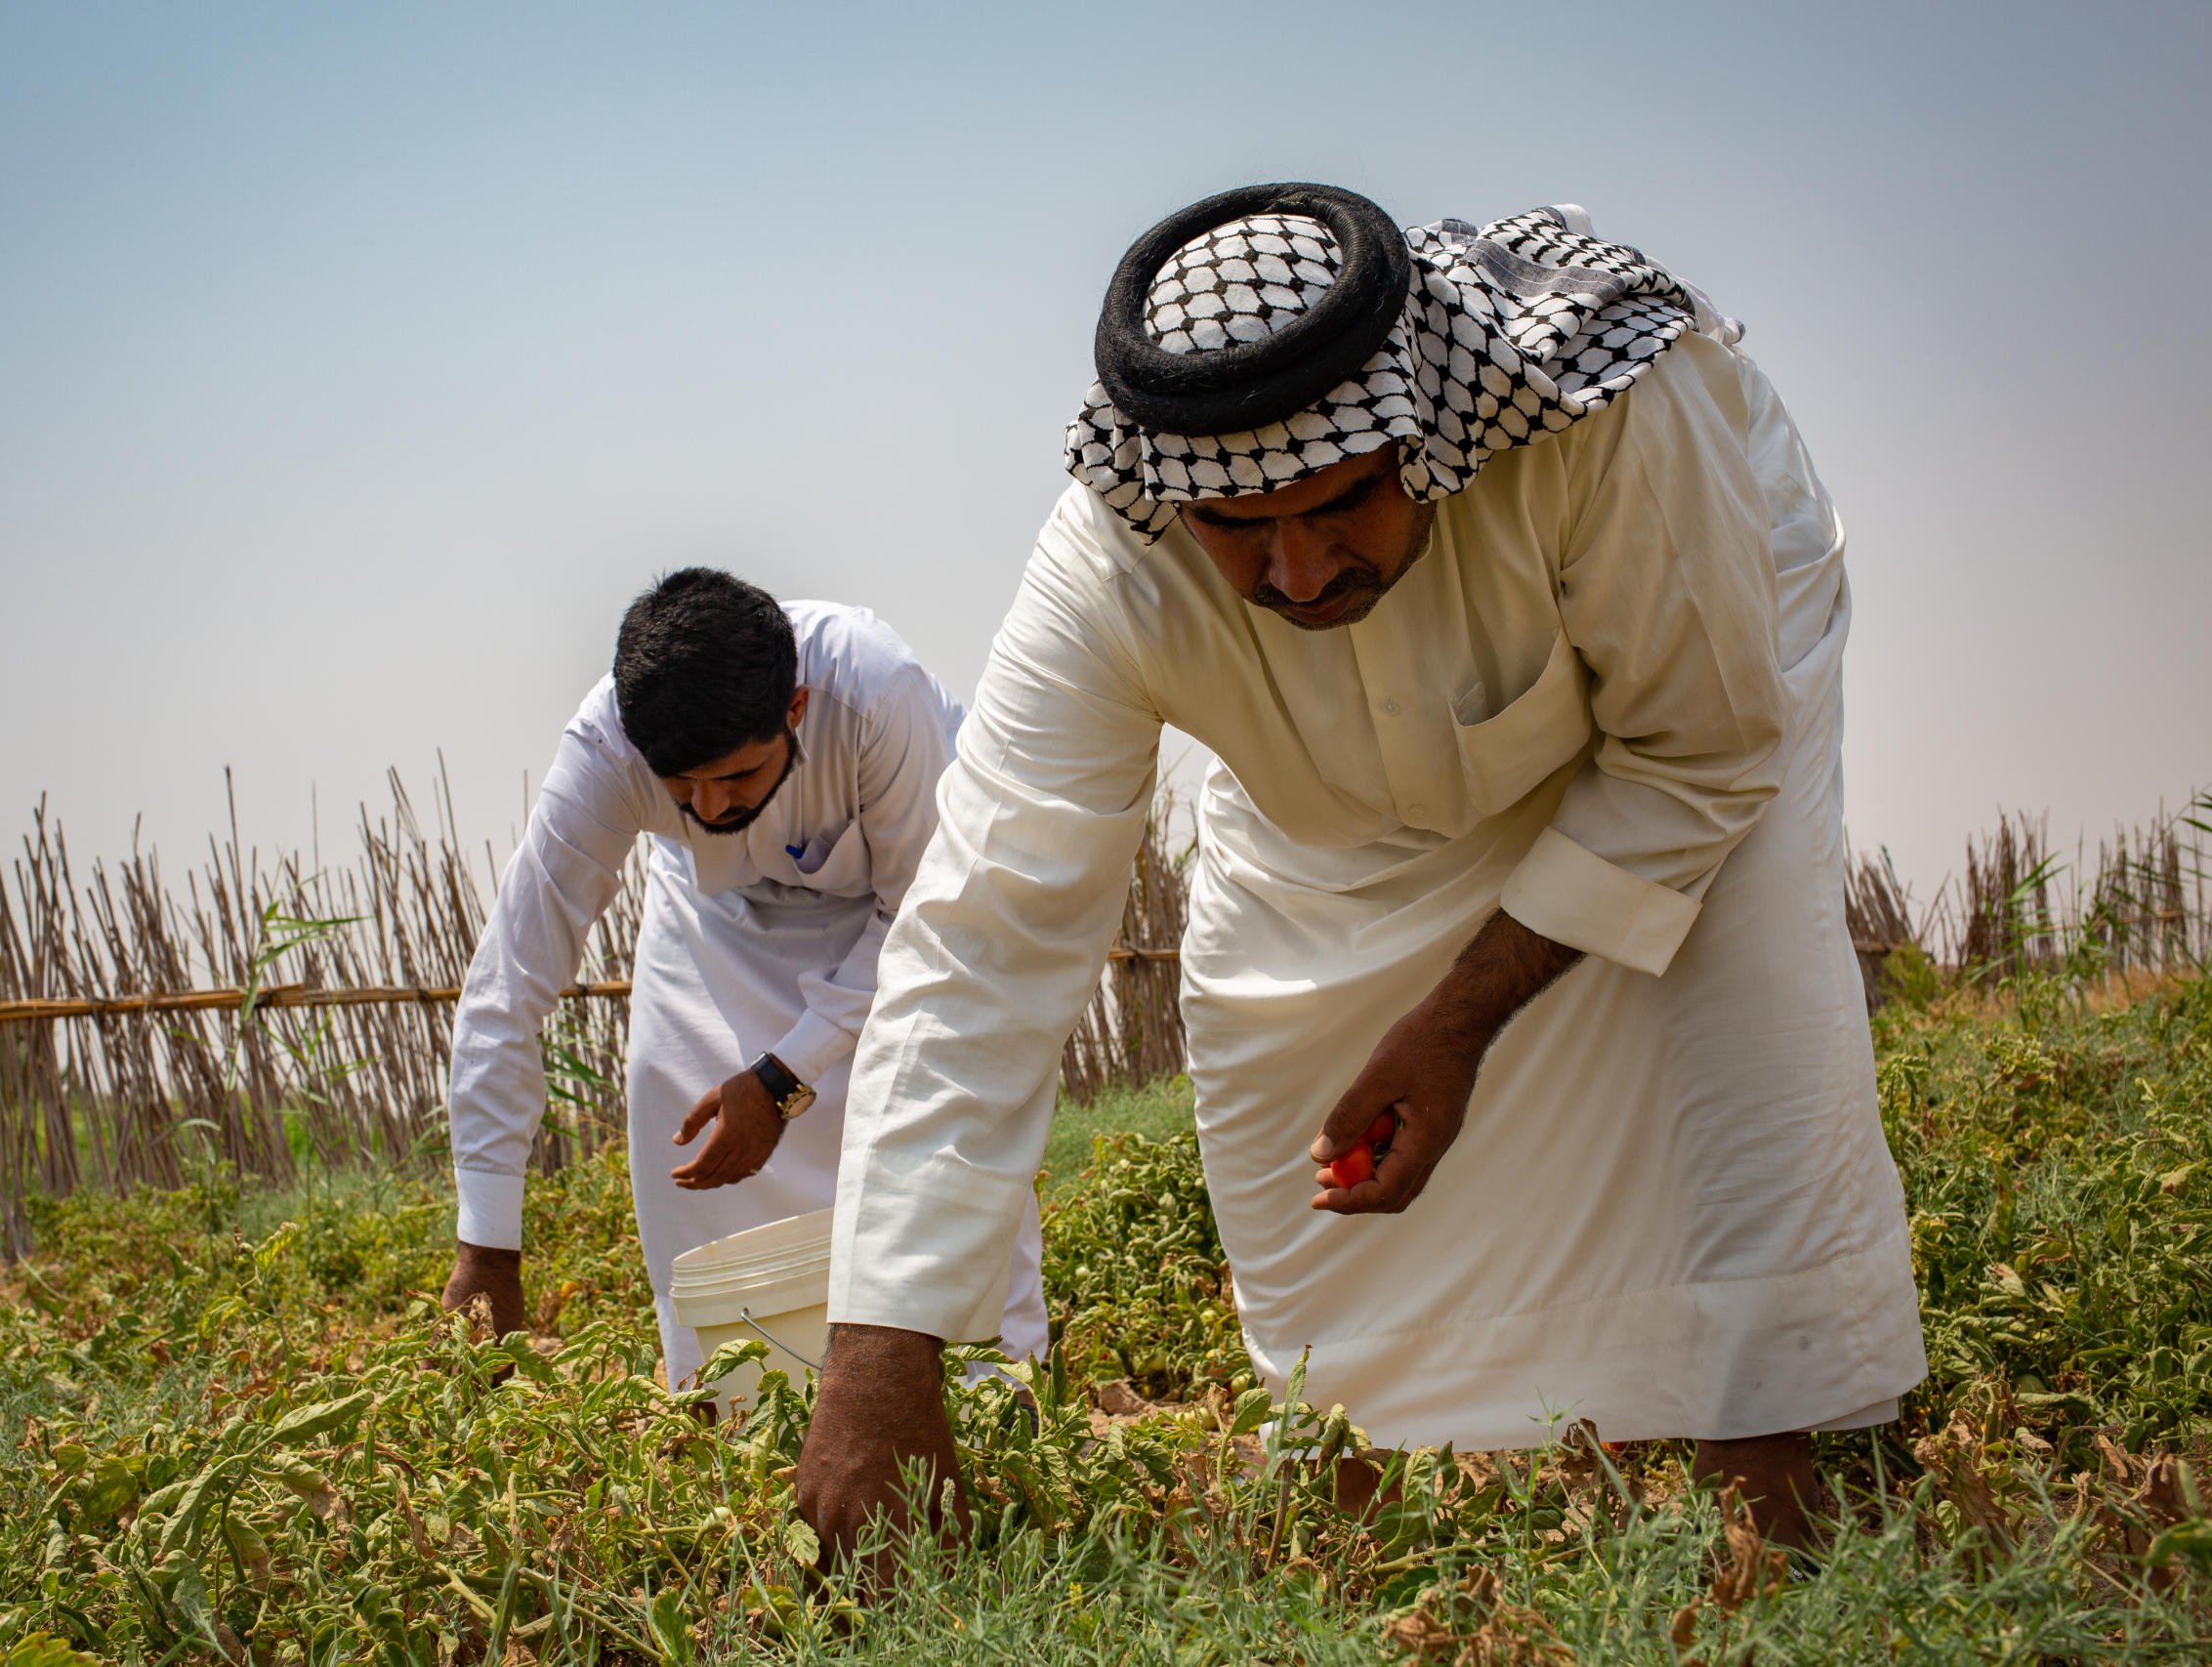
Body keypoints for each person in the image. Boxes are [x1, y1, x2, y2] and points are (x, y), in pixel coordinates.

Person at [799, 185, 1926, 1551]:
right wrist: (879, 1356)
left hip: (1694, 674)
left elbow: (1698, 752)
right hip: (1334, 793)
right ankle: (1371, 1519)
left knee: (1734, 1012)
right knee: (1271, 1054)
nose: (1298, 572)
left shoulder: (1605, 421)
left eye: (1342, 500)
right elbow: (985, 932)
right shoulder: (1112, 563)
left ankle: (1786, 1490)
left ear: (1422, 431)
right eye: (1238, 527)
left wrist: (1459, 1015)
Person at [441, 567, 1047, 1392]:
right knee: (676, 1105)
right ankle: (739, 1405)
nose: (709, 808)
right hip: (717, 910)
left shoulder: (876, 693)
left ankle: (992, 1393)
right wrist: (488, 1247)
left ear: (794, 709)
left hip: (913, 896)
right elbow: (509, 981)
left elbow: (922, 915)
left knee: (941, 1116)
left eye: (737, 777)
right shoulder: (606, 750)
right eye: (679, 787)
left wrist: (781, 1075)